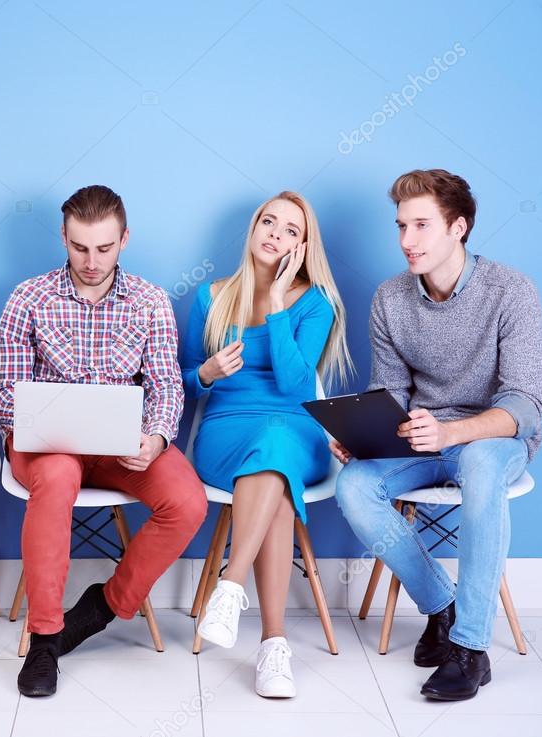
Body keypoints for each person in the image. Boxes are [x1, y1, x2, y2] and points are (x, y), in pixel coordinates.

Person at [333, 169, 542, 701]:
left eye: (421, 226)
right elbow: (390, 391)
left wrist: (453, 432)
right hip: (423, 438)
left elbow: (525, 406)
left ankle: (471, 648)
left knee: (479, 465)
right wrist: (365, 433)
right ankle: (441, 606)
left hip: (491, 440)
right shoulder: (390, 298)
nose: (407, 240)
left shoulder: (512, 291)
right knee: (353, 484)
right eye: (401, 226)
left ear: (458, 227)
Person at [0, 185, 207, 697]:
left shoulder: (150, 301)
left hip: (120, 444)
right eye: (80, 247)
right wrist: (40, 425)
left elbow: (166, 385)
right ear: (63, 237)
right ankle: (45, 639)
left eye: (104, 248)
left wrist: (157, 437)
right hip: (46, 447)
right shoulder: (29, 297)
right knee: (58, 474)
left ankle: (103, 606)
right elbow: (2, 389)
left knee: (188, 502)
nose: (91, 261)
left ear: (124, 239)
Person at [181, 191, 353, 697]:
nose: (275, 234)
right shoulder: (211, 297)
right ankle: (273, 647)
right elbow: (180, 382)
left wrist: (277, 305)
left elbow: (297, 385)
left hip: (296, 429)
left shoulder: (316, 303)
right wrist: (207, 373)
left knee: (276, 447)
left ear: (302, 247)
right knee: (275, 483)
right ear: (254, 227)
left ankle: (230, 587)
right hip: (225, 432)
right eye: (269, 222)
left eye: (290, 230)